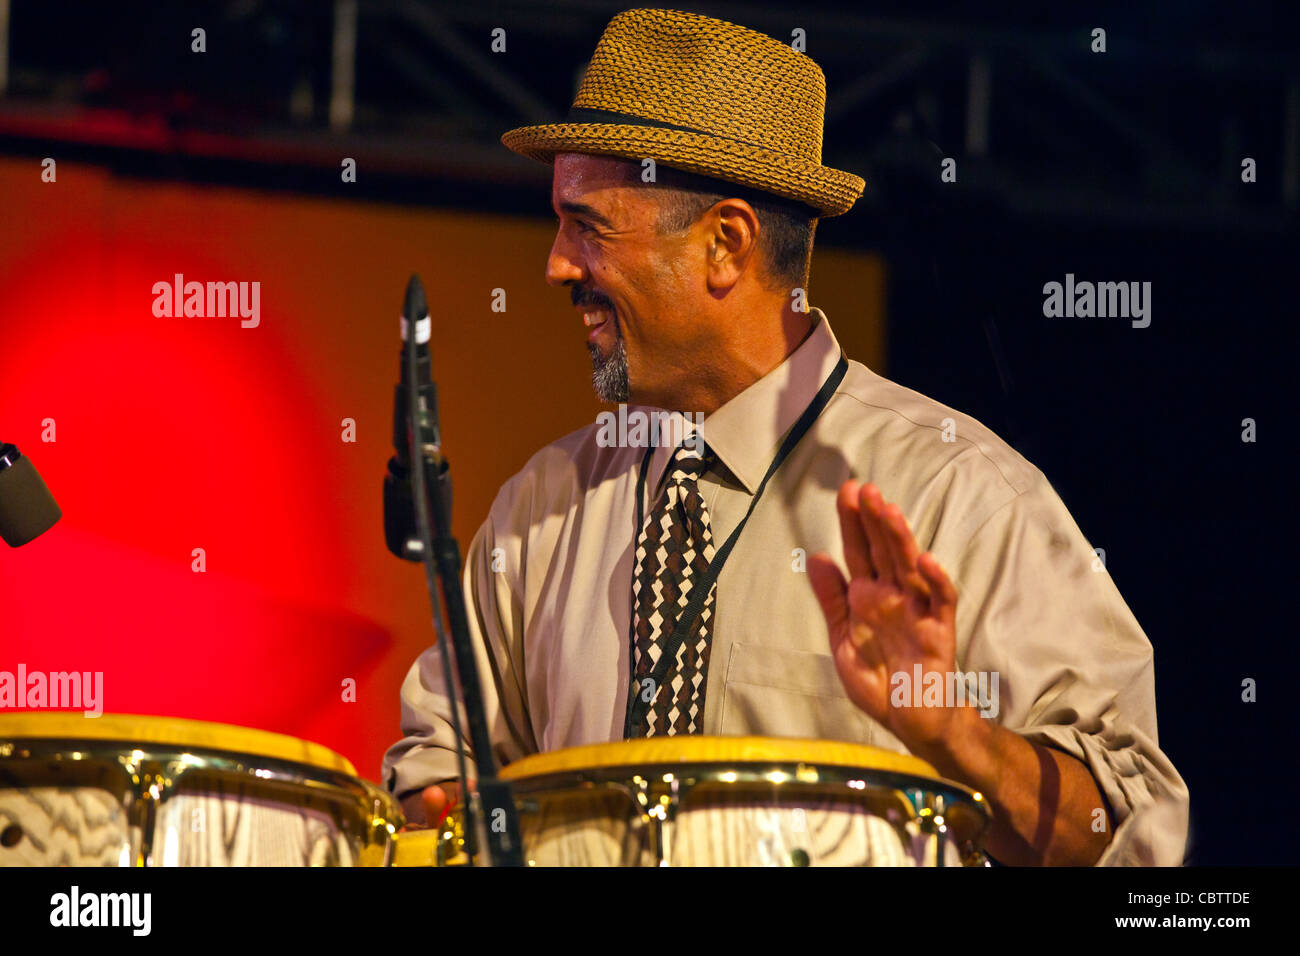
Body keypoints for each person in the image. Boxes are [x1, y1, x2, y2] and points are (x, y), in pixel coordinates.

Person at [382, 8, 1188, 866]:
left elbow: (1132, 839)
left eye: (589, 226)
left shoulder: (965, 500)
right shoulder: (538, 512)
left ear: (725, 245)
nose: (556, 264)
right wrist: (447, 815)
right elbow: (437, 777)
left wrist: (954, 731)